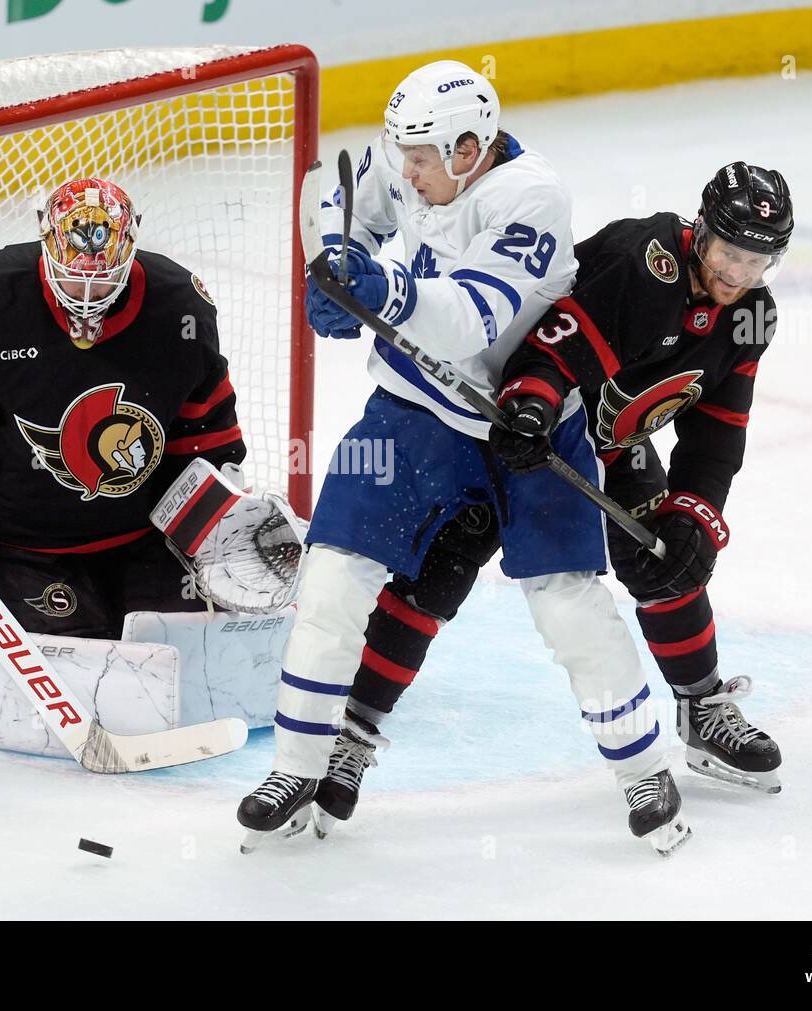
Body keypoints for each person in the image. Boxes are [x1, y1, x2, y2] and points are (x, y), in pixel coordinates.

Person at [237, 61, 688, 856]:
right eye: (401, 151)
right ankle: (297, 765)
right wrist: (342, 257)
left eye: (421, 157)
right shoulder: (415, 157)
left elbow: (472, 317)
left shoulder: (532, 197)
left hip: (528, 418)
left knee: (568, 604)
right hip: (412, 414)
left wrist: (377, 289)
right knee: (335, 576)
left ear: (471, 147)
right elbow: (343, 196)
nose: (405, 171)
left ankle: (645, 768)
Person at [322, 162, 793, 832]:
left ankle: (701, 706)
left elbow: (718, 430)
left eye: (757, 261)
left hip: (602, 437)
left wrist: (697, 508)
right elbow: (554, 343)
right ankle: (352, 734)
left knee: (670, 551)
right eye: (728, 253)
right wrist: (534, 405)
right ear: (702, 231)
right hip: (522, 420)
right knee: (442, 571)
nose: (737, 274)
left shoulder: (750, 314)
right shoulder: (647, 265)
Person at [0, 177, 247, 638]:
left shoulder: (179, 305)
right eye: (73, 274)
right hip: (16, 549)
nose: (86, 292)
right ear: (45, 240)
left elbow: (205, 427)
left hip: (143, 541)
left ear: (130, 248)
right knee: (75, 668)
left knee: (179, 660)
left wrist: (224, 520)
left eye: (102, 276)